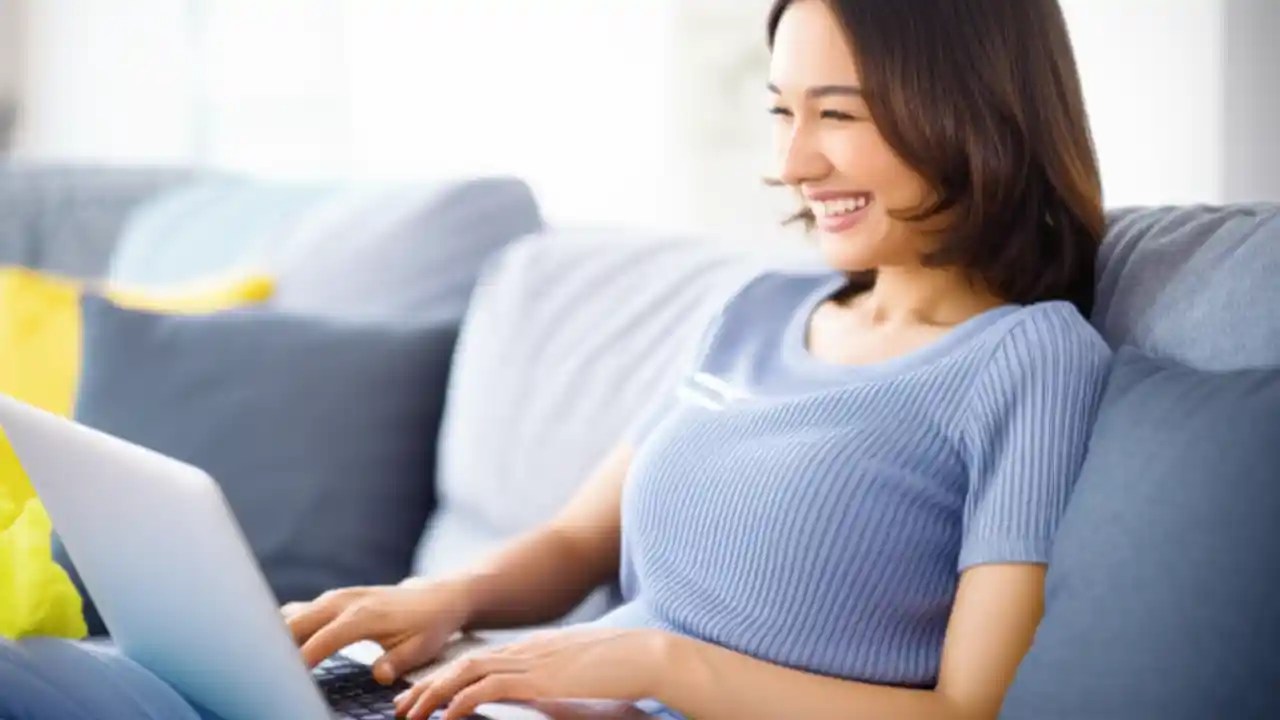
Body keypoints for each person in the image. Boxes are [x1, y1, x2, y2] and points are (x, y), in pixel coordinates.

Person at [0, 1, 1113, 719]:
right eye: (780, 111)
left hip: (598, 696)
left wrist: (655, 665)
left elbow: (971, 708)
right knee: (65, 678)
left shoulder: (1024, 361)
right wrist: (444, 601)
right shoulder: (756, 308)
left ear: (969, 111)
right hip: (525, 694)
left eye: (838, 113)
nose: (790, 160)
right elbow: (584, 536)